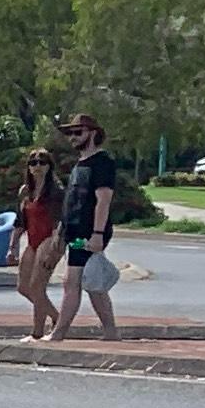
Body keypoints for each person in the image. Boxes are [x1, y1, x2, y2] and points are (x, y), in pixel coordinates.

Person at [53, 114, 125, 338]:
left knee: (71, 281)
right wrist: (60, 230)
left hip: (89, 232)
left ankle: (58, 333)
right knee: (93, 283)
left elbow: (103, 200)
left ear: (92, 133)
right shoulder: (79, 164)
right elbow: (73, 201)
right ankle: (111, 332)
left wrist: (97, 234)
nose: (73, 138)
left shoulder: (102, 163)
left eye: (78, 132)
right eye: (70, 133)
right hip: (74, 231)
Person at [12, 144, 63, 336]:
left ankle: (37, 331)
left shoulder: (55, 192)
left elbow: (60, 220)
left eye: (42, 162)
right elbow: (20, 222)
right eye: (33, 163)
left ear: (49, 166)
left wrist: (55, 246)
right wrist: (12, 246)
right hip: (32, 239)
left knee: (37, 286)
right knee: (24, 287)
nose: (37, 166)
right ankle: (57, 316)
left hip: (51, 237)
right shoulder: (26, 191)